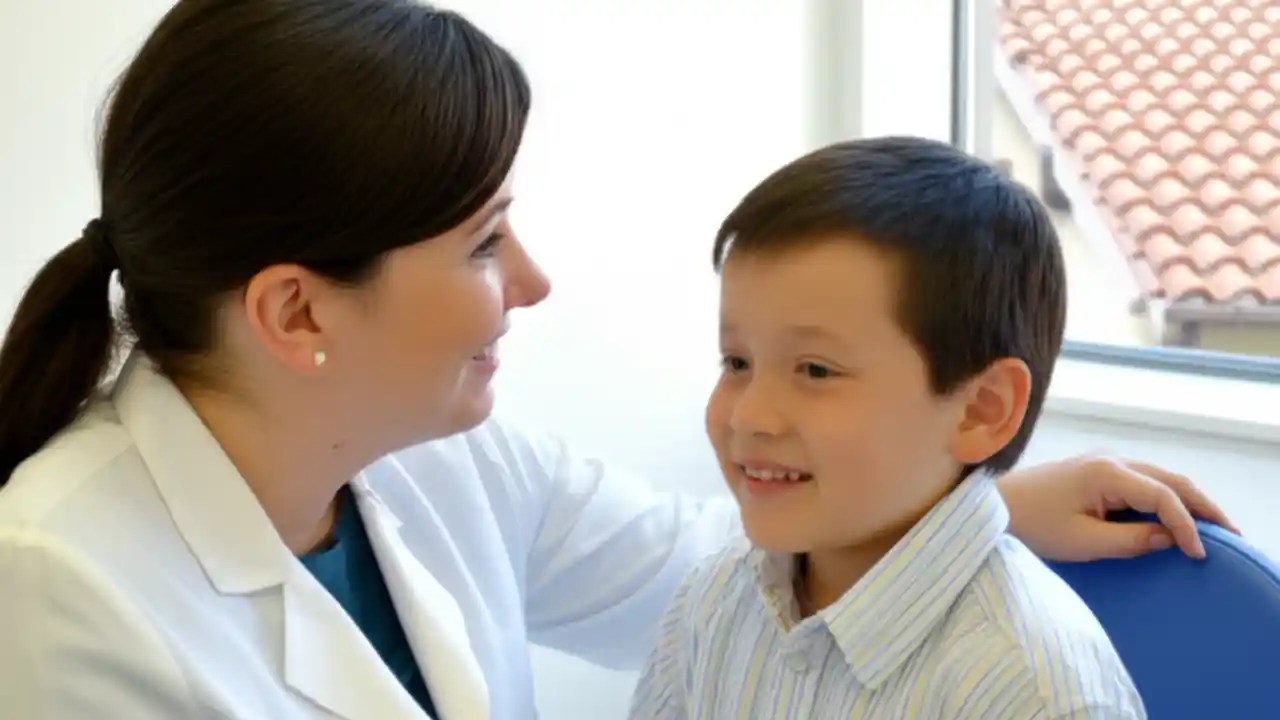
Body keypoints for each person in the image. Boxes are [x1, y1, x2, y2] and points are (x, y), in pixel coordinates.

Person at [0, 2, 1231, 719]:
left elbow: (710, 555)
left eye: (813, 369)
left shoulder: (430, 459)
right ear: (297, 314)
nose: (531, 283)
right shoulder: (59, 590)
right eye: (484, 241)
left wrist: (969, 501)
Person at [628, 137, 1145, 720]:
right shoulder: (711, 602)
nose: (748, 416)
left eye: (816, 370)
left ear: (983, 410)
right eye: (737, 363)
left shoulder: (1032, 690)